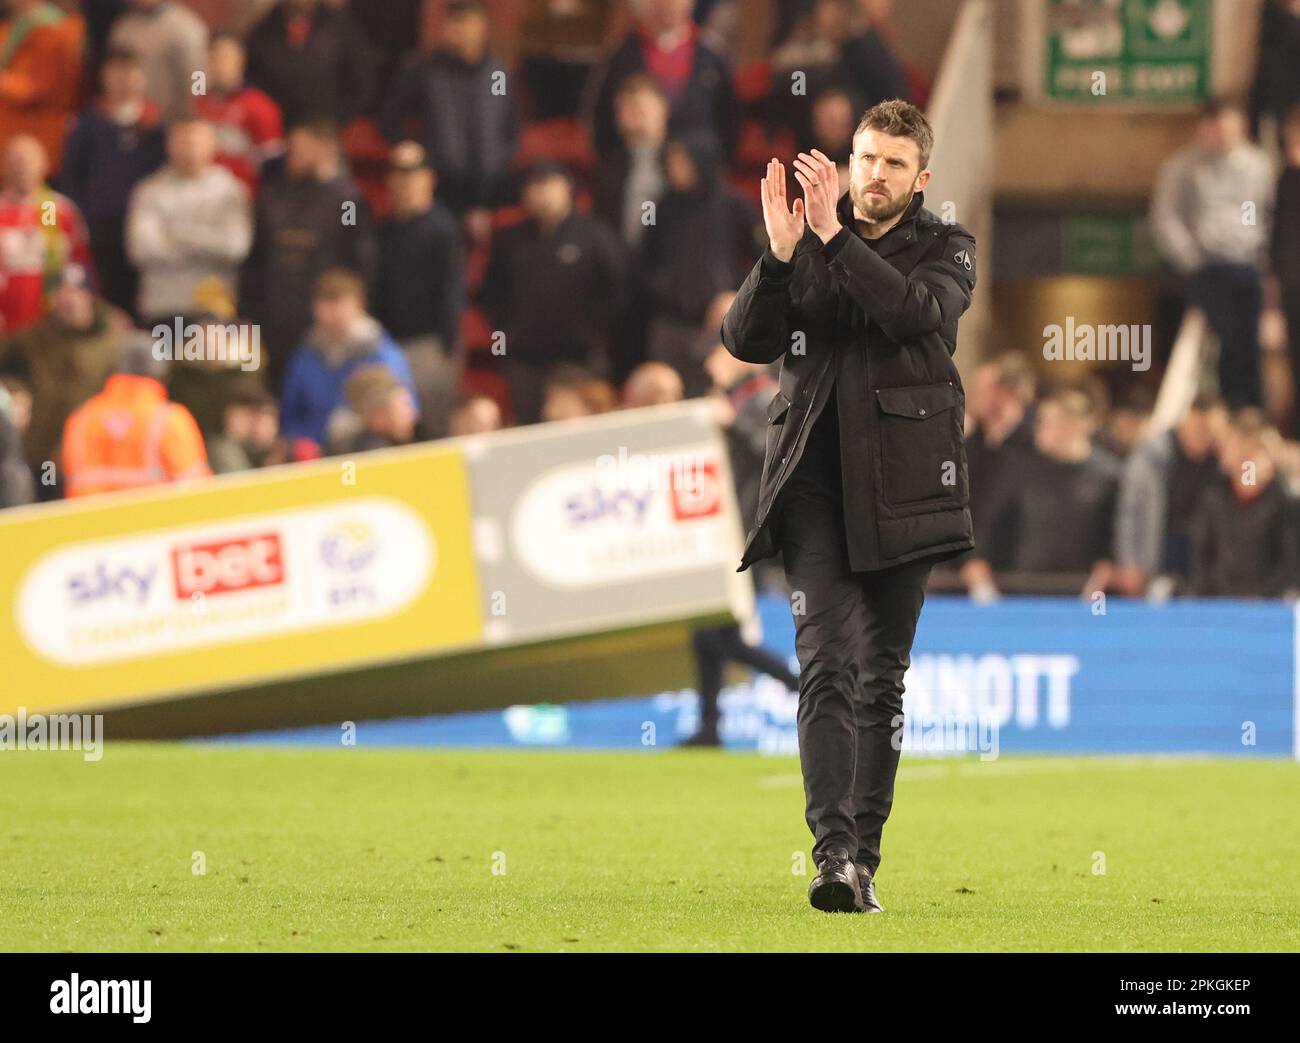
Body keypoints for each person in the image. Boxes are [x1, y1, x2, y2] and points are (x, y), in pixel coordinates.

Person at [721, 99, 977, 913]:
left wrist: (830, 239)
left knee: (883, 683)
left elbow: (912, 315)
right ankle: (830, 854)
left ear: (920, 178)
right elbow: (744, 340)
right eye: (866, 157)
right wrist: (780, 255)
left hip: (906, 487)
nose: (875, 173)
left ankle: (864, 856)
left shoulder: (948, 249)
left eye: (894, 163)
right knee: (825, 664)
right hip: (814, 489)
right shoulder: (807, 236)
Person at [681, 342, 800, 746]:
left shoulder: (759, 398)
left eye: (721, 350)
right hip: (728, 535)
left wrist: (731, 424)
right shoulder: (740, 399)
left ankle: (804, 689)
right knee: (709, 633)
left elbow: (779, 452)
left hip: (746, 536)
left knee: (717, 636)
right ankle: (710, 727)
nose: (710, 358)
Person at [1151, 100, 1275, 409]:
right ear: (1202, 129)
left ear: (1241, 127)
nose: (1221, 135)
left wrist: (1266, 258)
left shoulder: (1259, 166)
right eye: (1214, 128)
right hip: (1205, 267)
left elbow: (1271, 215)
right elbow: (1165, 217)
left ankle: (1249, 408)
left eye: (1227, 128)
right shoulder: (1182, 166)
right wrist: (1190, 260)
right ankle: (1221, 404)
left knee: (1249, 343)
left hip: (1249, 265)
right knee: (1218, 338)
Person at [481, 160, 624, 425]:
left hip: (580, 357)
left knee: (586, 427)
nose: (540, 192)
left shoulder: (593, 233)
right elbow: (491, 294)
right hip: (526, 358)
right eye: (533, 186)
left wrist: (594, 331)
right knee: (530, 427)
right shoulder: (509, 240)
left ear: (567, 188)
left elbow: (618, 285)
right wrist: (508, 334)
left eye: (547, 184)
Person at [243, 118, 376, 389]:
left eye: (302, 149)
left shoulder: (347, 201)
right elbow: (256, 260)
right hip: (276, 319)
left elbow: (360, 262)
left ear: (326, 148)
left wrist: (344, 308)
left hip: (325, 324)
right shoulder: (273, 197)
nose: (292, 157)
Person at [379, 0, 518, 221]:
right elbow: (390, 116)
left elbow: (509, 124)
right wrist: (410, 150)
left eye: (465, 23)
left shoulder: (496, 74)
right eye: (452, 23)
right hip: (439, 187)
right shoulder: (423, 69)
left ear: (482, 26)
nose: (457, 30)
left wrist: (499, 160)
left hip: (489, 189)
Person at [59, 45, 167, 316]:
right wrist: (81, 220)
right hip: (100, 229)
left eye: (131, 72)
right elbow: (71, 179)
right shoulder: (86, 126)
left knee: (143, 307)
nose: (124, 79)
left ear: (143, 77)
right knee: (103, 304)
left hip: (148, 230)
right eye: (116, 72)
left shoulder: (158, 127)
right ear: (104, 78)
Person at [0, 267, 121, 495]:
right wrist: (14, 393)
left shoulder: (112, 344)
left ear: (90, 297)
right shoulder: (32, 339)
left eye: (77, 292)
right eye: (62, 293)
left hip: (87, 455)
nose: (69, 300)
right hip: (39, 454)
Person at [124, 117, 252, 324]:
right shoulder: (148, 191)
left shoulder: (231, 191)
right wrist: (208, 243)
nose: (190, 149)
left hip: (215, 309)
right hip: (161, 307)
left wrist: (177, 234)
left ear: (213, 146)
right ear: (169, 146)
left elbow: (234, 247)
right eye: (182, 142)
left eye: (197, 142)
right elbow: (143, 250)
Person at [374, 141, 463, 439]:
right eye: (397, 173)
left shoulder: (443, 229)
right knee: (393, 428)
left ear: (429, 178)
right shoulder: (385, 230)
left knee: (432, 427)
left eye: (412, 173)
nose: (404, 182)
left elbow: (452, 290)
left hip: (429, 344)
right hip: (389, 344)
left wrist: (446, 345)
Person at [279, 268, 417, 452]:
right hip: (315, 453)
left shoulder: (380, 352)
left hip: (370, 448)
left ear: (358, 303)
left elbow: (406, 407)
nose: (331, 314)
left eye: (338, 303)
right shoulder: (306, 355)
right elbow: (290, 414)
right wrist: (303, 442)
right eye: (324, 304)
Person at [586, 0, 739, 161]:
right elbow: (600, 118)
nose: (669, 5)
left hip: (698, 169)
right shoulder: (621, 55)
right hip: (633, 166)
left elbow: (729, 119)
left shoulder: (711, 54)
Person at [61, 340, 210, 498]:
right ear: (162, 372)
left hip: (88, 522)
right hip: (158, 521)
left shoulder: (82, 418)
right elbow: (197, 489)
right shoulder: (170, 420)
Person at [1114, 392, 1226, 597]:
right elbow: (1130, 513)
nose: (1205, 437)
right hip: (1159, 552)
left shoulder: (1222, 462)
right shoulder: (1149, 458)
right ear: (1187, 420)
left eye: (1212, 432)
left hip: (1204, 560)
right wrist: (1130, 561)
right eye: (1200, 429)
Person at [1189, 408, 1300, 597]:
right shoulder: (1214, 496)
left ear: (1247, 445)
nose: (1220, 449)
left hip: (1264, 604)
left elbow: (1289, 563)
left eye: (1227, 442)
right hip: (1217, 602)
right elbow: (1202, 556)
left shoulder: (1280, 498)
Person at [0, 135, 94, 335]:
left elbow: (78, 262)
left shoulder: (53, 210)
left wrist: (74, 295)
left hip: (50, 324)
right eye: (16, 161)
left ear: (44, 164)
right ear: (4, 166)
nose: (23, 167)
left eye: (30, 160)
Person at [244, 0, 374, 128]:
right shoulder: (262, 31)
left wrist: (338, 121)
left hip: (328, 131)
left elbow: (363, 78)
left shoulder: (340, 26)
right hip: (279, 132)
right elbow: (252, 84)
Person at [194, 31, 284, 195]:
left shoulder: (261, 107)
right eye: (212, 58)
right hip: (199, 192)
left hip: (240, 195)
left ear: (240, 61)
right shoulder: (199, 103)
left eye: (224, 58)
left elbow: (272, 165)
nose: (218, 66)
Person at [0, 0, 83, 173]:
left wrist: (5, 82)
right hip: (10, 144)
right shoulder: (12, 24)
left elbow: (34, 87)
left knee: (46, 201)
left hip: (39, 145)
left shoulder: (54, 29)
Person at [107, 0, 207, 123]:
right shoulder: (124, 27)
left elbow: (199, 74)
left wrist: (195, 112)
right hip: (132, 119)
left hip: (173, 122)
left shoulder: (187, 27)